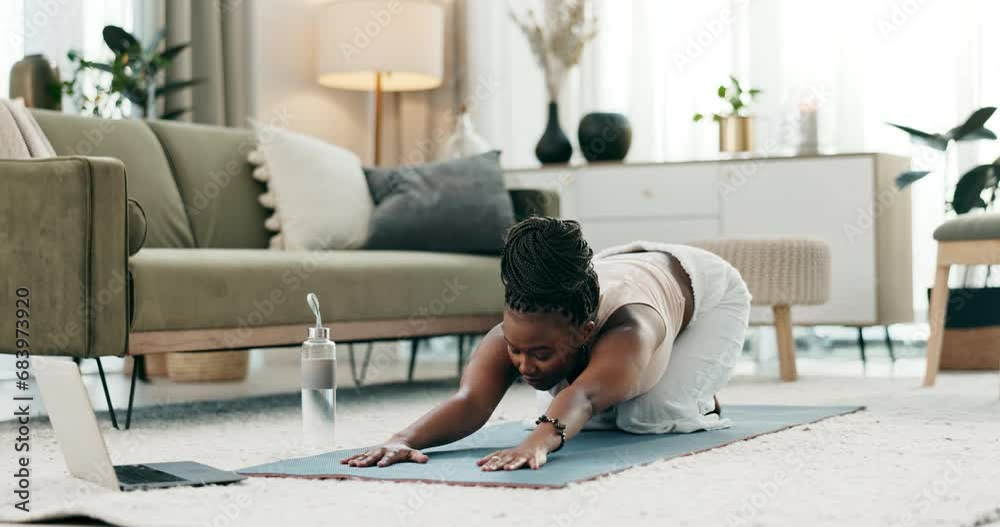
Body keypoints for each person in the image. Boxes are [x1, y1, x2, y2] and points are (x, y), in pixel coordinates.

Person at [341, 217, 752, 471]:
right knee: (583, 415)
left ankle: (700, 397)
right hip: (616, 270)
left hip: (703, 292)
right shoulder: (520, 329)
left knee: (647, 416)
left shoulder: (630, 329)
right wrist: (402, 439)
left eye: (540, 354)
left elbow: (583, 397)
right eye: (516, 350)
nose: (524, 366)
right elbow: (470, 401)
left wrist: (539, 440)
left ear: (585, 332)